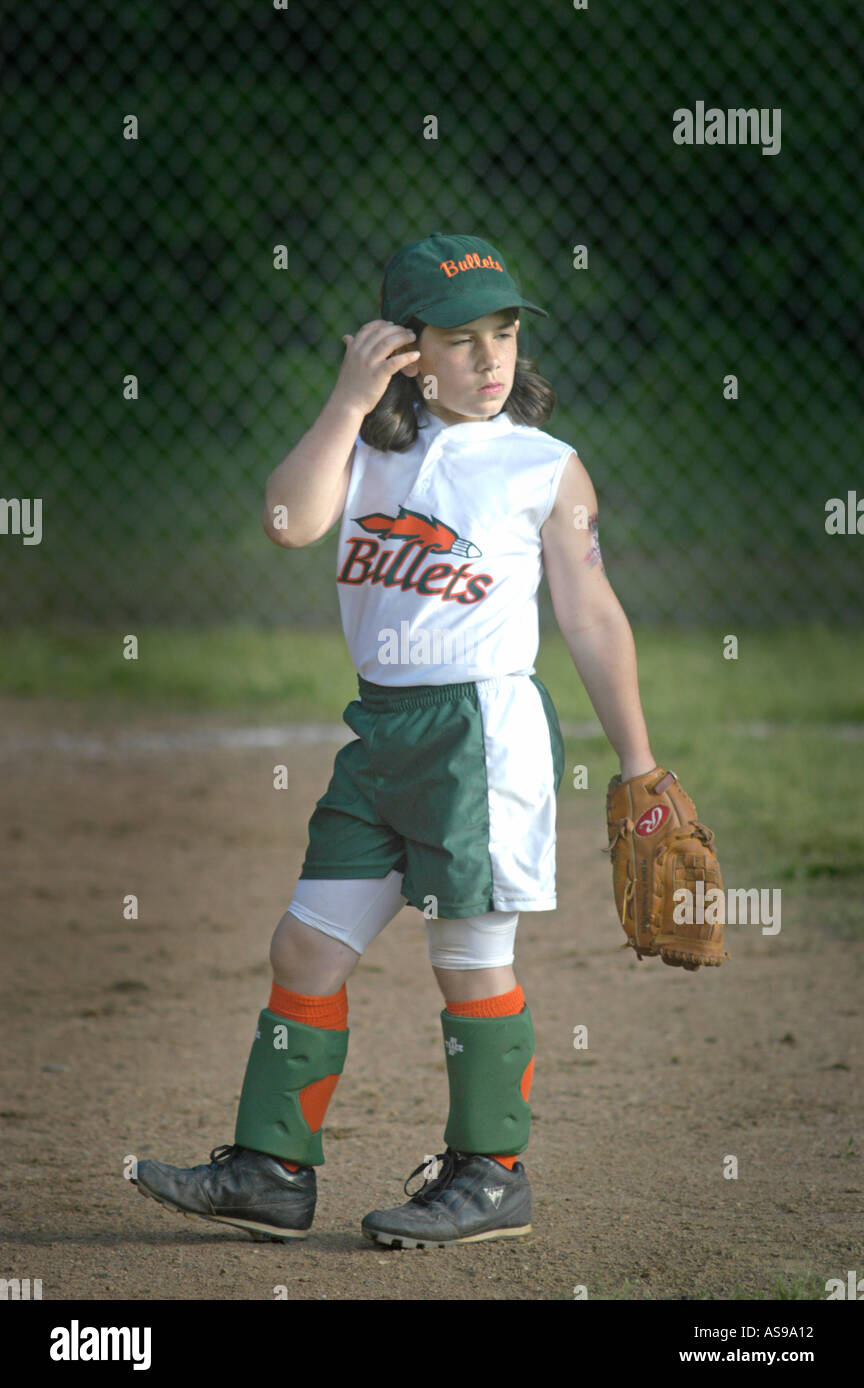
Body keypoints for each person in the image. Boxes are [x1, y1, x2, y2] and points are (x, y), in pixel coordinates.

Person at [133, 232, 657, 1248]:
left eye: (503, 333)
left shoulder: (543, 466)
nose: (492, 358)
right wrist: (345, 400)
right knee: (306, 945)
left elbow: (592, 614)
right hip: (379, 732)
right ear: (406, 349)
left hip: (479, 734)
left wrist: (638, 763)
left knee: (466, 956)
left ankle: (491, 1173)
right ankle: (273, 1167)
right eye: (461, 340)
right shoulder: (369, 449)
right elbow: (288, 520)